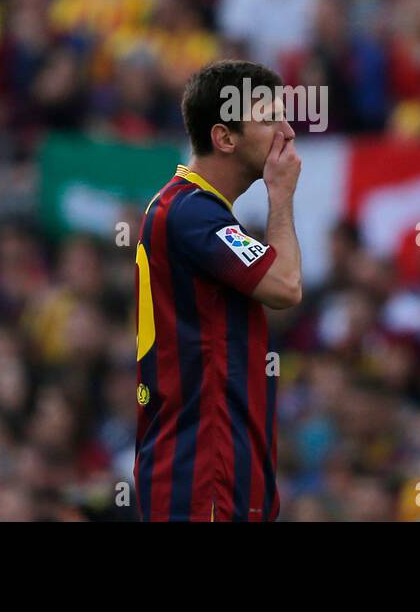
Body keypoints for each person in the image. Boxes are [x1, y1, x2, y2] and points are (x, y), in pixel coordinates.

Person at [134, 59, 302, 522]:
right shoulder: (190, 213)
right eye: (270, 119)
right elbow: (286, 286)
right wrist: (281, 197)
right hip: (202, 477)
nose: (287, 131)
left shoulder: (198, 212)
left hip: (222, 471)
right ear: (224, 138)